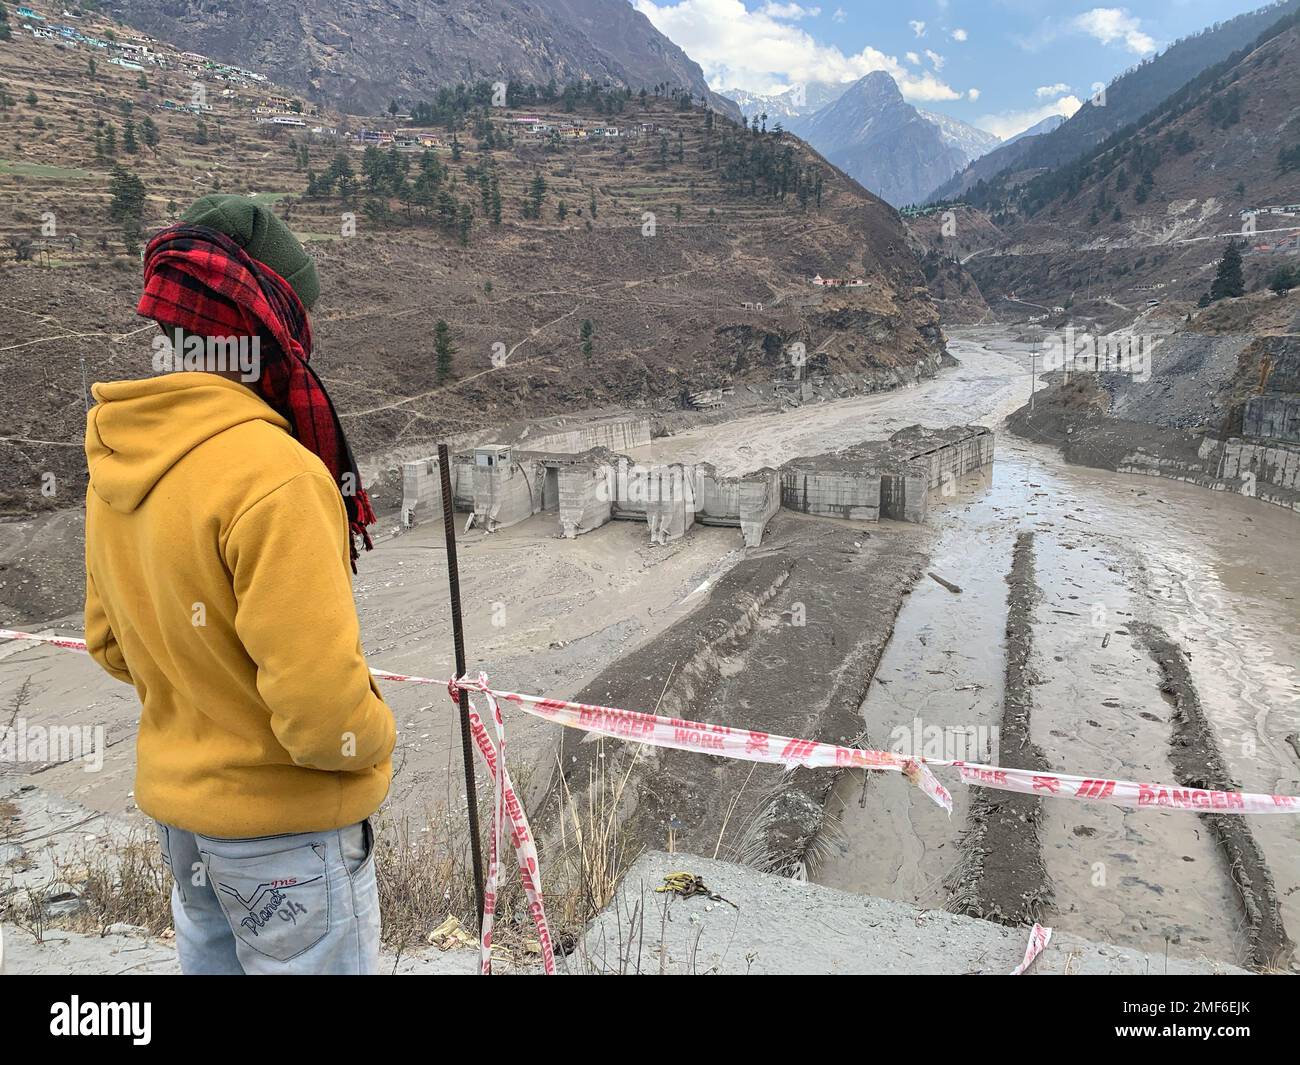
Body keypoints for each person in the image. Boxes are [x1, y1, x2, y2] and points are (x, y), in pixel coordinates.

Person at [82, 195, 395, 974]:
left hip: (185, 824)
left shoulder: (118, 455)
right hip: (286, 838)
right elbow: (323, 715)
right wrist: (380, 732)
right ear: (266, 332)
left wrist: (201, 682)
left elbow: (109, 642)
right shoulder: (277, 474)